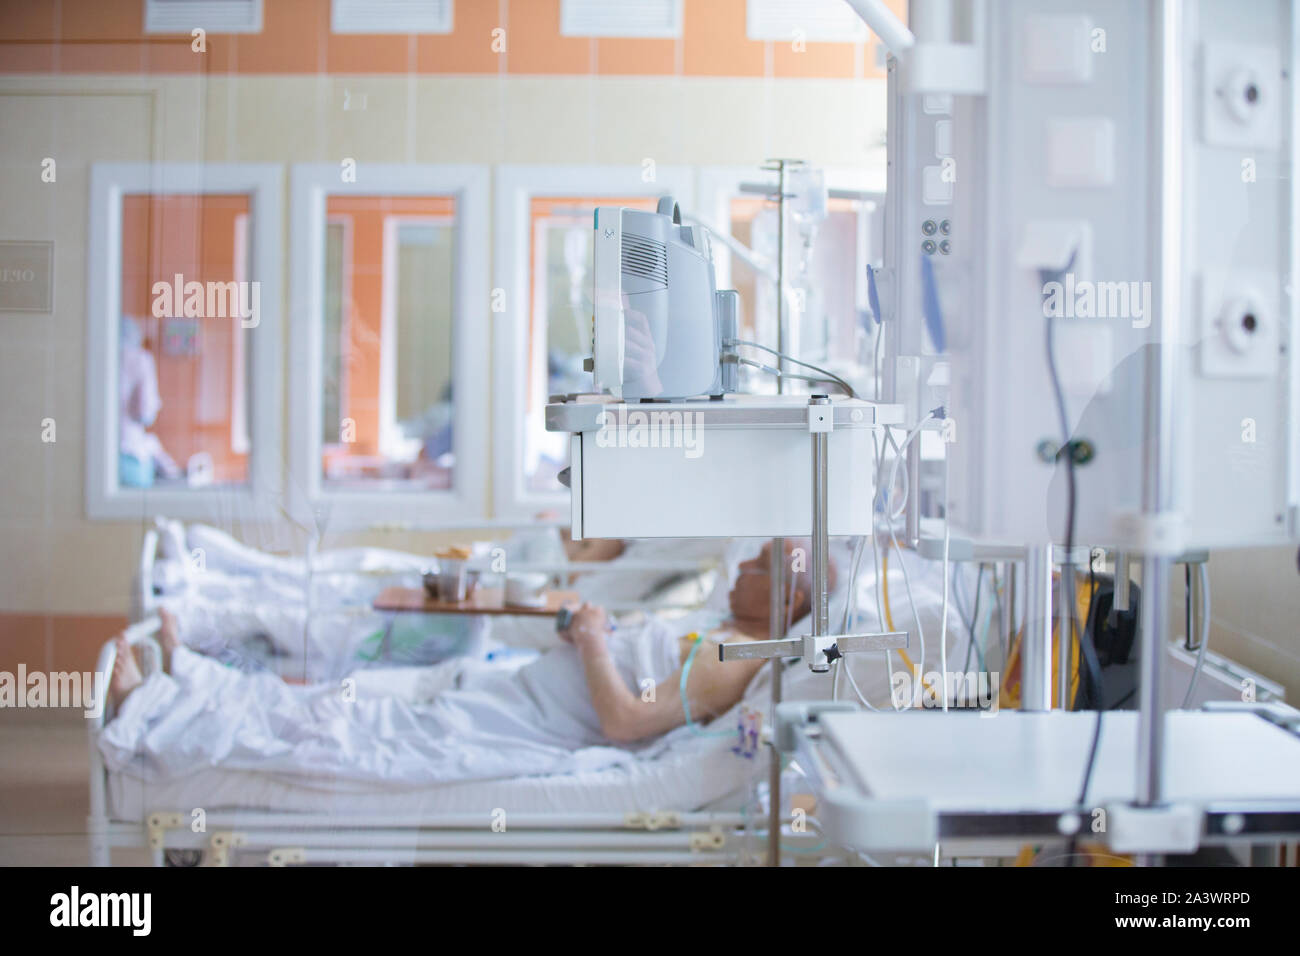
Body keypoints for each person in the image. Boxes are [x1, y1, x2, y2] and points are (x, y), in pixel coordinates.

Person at [100, 540, 832, 786]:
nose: (743, 565)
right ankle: (182, 684)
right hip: (505, 691)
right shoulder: (715, 629)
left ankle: (152, 714)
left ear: (791, 598)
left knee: (333, 725)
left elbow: (623, 720)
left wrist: (595, 640)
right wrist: (583, 627)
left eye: (762, 563)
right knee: (331, 703)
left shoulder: (734, 659)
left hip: (521, 723)